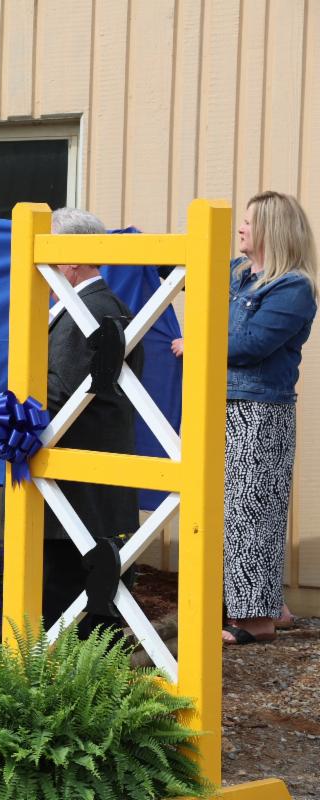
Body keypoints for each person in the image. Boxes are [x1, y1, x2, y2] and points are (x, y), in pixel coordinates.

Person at [172, 191, 317, 645]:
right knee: (225, 505)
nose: (240, 228)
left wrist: (197, 344)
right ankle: (272, 606)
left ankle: (255, 621)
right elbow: (192, 287)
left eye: (249, 222)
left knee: (251, 509)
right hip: (224, 402)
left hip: (259, 410)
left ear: (272, 230)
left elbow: (250, 344)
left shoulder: (293, 288)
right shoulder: (236, 274)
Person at [41, 208, 144, 636]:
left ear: (70, 258)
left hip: (83, 488)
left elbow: (60, 392)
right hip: (85, 486)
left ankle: (70, 694)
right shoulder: (91, 306)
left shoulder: (93, 309)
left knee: (77, 602)